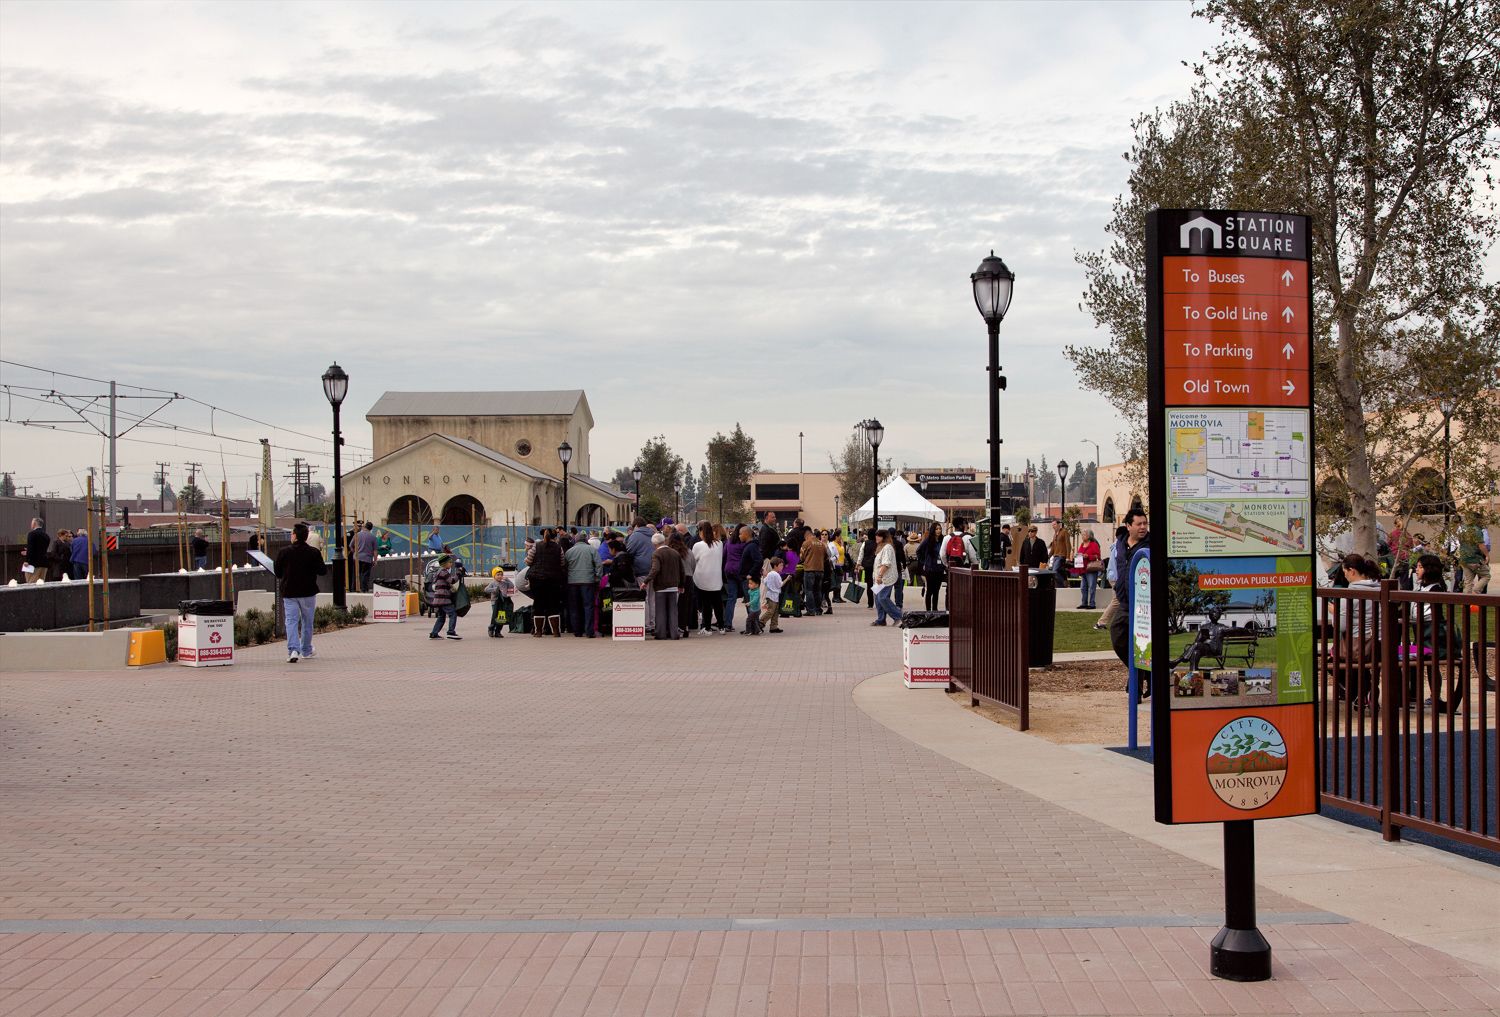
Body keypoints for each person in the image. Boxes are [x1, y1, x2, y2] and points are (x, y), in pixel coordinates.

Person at [275, 522, 330, 661]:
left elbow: (277, 572)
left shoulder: (284, 552)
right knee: (307, 621)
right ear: (306, 537)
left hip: (289, 592)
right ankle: (306, 649)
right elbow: (322, 571)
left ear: (294, 536)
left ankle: (293, 650)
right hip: (308, 591)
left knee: (291, 621)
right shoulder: (313, 552)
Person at [1110, 508, 1150, 668]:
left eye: (1145, 523)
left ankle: (1141, 678)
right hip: (1125, 601)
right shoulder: (1120, 543)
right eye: (1138, 524)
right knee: (1118, 636)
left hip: (1143, 601)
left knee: (1142, 644)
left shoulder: (1149, 544)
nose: (1143, 527)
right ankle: (1141, 673)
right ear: (1128, 525)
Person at [645, 531, 685, 640]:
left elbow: (655, 569)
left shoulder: (656, 554)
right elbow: (682, 570)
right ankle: (674, 633)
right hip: (673, 586)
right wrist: (681, 585)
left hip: (661, 587)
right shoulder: (675, 553)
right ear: (664, 541)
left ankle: (661, 633)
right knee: (673, 611)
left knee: (661, 611)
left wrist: (646, 581)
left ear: (654, 544)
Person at [528, 528, 566, 637]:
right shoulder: (558, 548)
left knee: (538, 604)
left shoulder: (536, 546)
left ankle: (538, 631)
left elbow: (529, 561)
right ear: (555, 537)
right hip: (553, 579)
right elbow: (562, 562)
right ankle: (555, 631)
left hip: (537, 579)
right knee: (553, 604)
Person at [565, 528, 603, 636]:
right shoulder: (592, 550)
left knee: (575, 607)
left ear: (575, 541)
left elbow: (565, 567)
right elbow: (598, 565)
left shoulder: (569, 552)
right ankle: (589, 631)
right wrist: (597, 579)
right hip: (588, 582)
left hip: (572, 582)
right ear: (586, 540)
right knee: (589, 607)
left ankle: (577, 631)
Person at [692, 522, 726, 634]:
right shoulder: (719, 544)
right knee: (717, 604)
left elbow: (693, 560)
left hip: (703, 577)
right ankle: (721, 626)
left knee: (706, 604)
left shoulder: (698, 545)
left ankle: (707, 627)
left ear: (701, 531)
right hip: (716, 578)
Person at [625, 518, 657, 631]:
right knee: (653, 599)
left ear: (635, 526)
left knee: (645, 598)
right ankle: (653, 623)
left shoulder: (635, 535)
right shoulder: (653, 533)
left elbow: (629, 552)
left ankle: (646, 624)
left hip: (641, 571)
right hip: (655, 571)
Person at [1097, 525, 1128, 630]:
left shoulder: (1116, 546)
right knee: (1117, 600)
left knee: (1119, 600)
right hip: (1116, 577)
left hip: (1113, 576)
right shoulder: (1120, 547)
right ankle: (1101, 622)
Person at [871, 529, 905, 626]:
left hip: (885, 578)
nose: (876, 537)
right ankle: (881, 619)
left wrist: (880, 575)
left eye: (879, 536)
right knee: (877, 599)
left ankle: (898, 616)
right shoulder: (881, 547)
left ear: (884, 537)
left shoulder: (887, 547)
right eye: (876, 535)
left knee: (883, 598)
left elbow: (886, 563)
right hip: (879, 579)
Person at [427, 554, 461, 641]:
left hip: (439, 598)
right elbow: (451, 581)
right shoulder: (443, 572)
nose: (450, 564)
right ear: (445, 563)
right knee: (452, 614)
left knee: (441, 617)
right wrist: (459, 573)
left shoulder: (439, 571)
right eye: (449, 562)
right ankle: (451, 632)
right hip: (443, 598)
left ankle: (434, 633)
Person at [916, 522, 944, 611]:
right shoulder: (928, 540)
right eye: (936, 529)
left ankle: (935, 609)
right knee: (930, 591)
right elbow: (918, 551)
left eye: (939, 529)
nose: (938, 531)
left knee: (937, 591)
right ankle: (928, 610)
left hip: (939, 568)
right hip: (930, 568)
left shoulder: (942, 540)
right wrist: (924, 562)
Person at [1458, 519, 1490, 594]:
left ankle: (1466, 601)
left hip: (1464, 558)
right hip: (1475, 558)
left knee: (1468, 580)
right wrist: (1487, 555)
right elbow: (1481, 544)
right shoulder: (1476, 530)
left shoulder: (1463, 530)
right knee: (1486, 575)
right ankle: (1476, 591)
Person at [799, 529, 826, 616]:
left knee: (809, 590)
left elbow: (802, 556)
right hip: (820, 569)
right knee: (818, 591)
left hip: (809, 569)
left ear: (806, 537)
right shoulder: (821, 544)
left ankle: (811, 610)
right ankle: (818, 609)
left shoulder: (806, 543)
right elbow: (826, 557)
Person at [485, 566, 516, 637]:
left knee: (501, 617)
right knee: (495, 616)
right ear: (494, 576)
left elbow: (511, 586)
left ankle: (498, 631)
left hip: (503, 602)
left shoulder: (504, 583)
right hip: (495, 602)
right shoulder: (493, 583)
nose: (499, 576)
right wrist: (495, 589)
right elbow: (486, 589)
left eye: (501, 575)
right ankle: (491, 628)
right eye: (497, 575)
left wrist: (507, 579)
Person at [1077, 529, 1102, 610]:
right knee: (1083, 587)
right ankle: (1084, 602)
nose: (1082, 536)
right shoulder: (1082, 545)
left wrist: (1088, 556)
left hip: (1091, 569)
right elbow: (1079, 553)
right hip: (1083, 569)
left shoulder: (1094, 545)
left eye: (1084, 535)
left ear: (1089, 536)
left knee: (1092, 587)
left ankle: (1092, 603)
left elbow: (1097, 556)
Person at [759, 558, 785, 633]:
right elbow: (780, 585)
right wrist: (786, 580)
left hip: (770, 594)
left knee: (774, 611)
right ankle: (761, 622)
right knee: (771, 611)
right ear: (775, 566)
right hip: (774, 595)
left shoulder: (769, 573)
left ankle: (774, 626)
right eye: (780, 565)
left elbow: (764, 581)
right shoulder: (776, 575)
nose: (782, 567)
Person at [354, 521, 378, 592]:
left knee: (356, 574)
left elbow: (352, 546)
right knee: (365, 574)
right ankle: (364, 589)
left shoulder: (357, 535)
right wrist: (375, 560)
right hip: (367, 559)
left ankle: (354, 588)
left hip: (357, 558)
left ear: (364, 527)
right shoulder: (373, 537)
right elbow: (375, 550)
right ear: (371, 529)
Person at [25, 518, 48, 583]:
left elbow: (30, 547)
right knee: (41, 583)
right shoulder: (46, 535)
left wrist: (26, 560)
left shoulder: (32, 534)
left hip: (34, 563)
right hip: (44, 562)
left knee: (31, 582)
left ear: (34, 524)